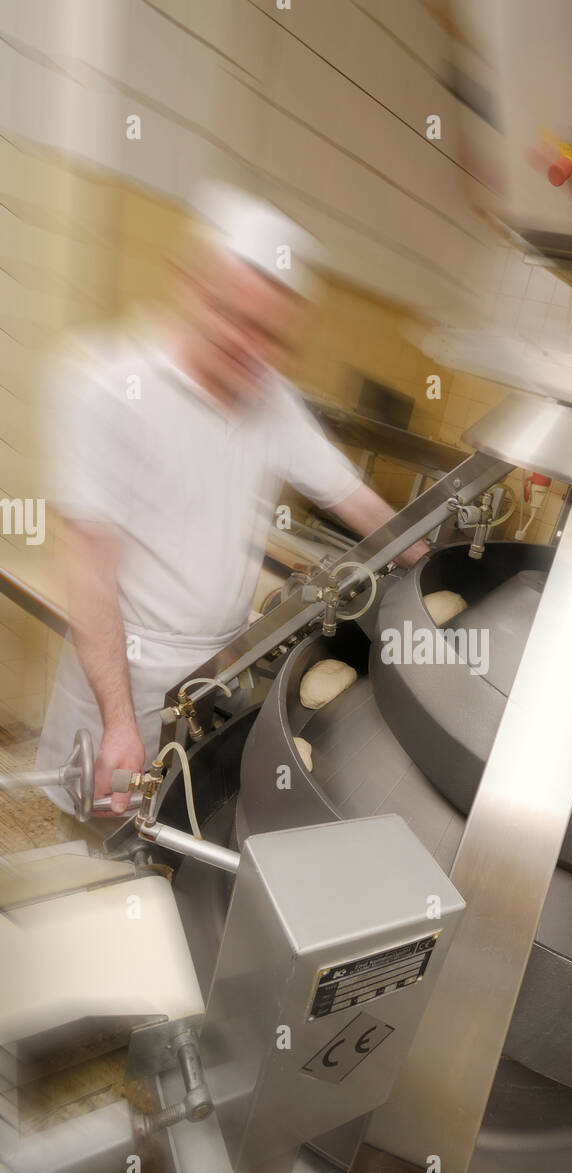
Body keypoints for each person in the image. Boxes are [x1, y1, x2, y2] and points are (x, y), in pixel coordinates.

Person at [36, 182, 427, 817]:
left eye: (268, 334)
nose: (247, 347)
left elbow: (356, 502)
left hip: (213, 677)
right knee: (95, 850)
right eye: (231, 318)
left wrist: (431, 557)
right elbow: (88, 573)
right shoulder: (106, 385)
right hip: (122, 678)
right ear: (187, 283)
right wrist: (118, 723)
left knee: (179, 836)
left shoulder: (272, 400)